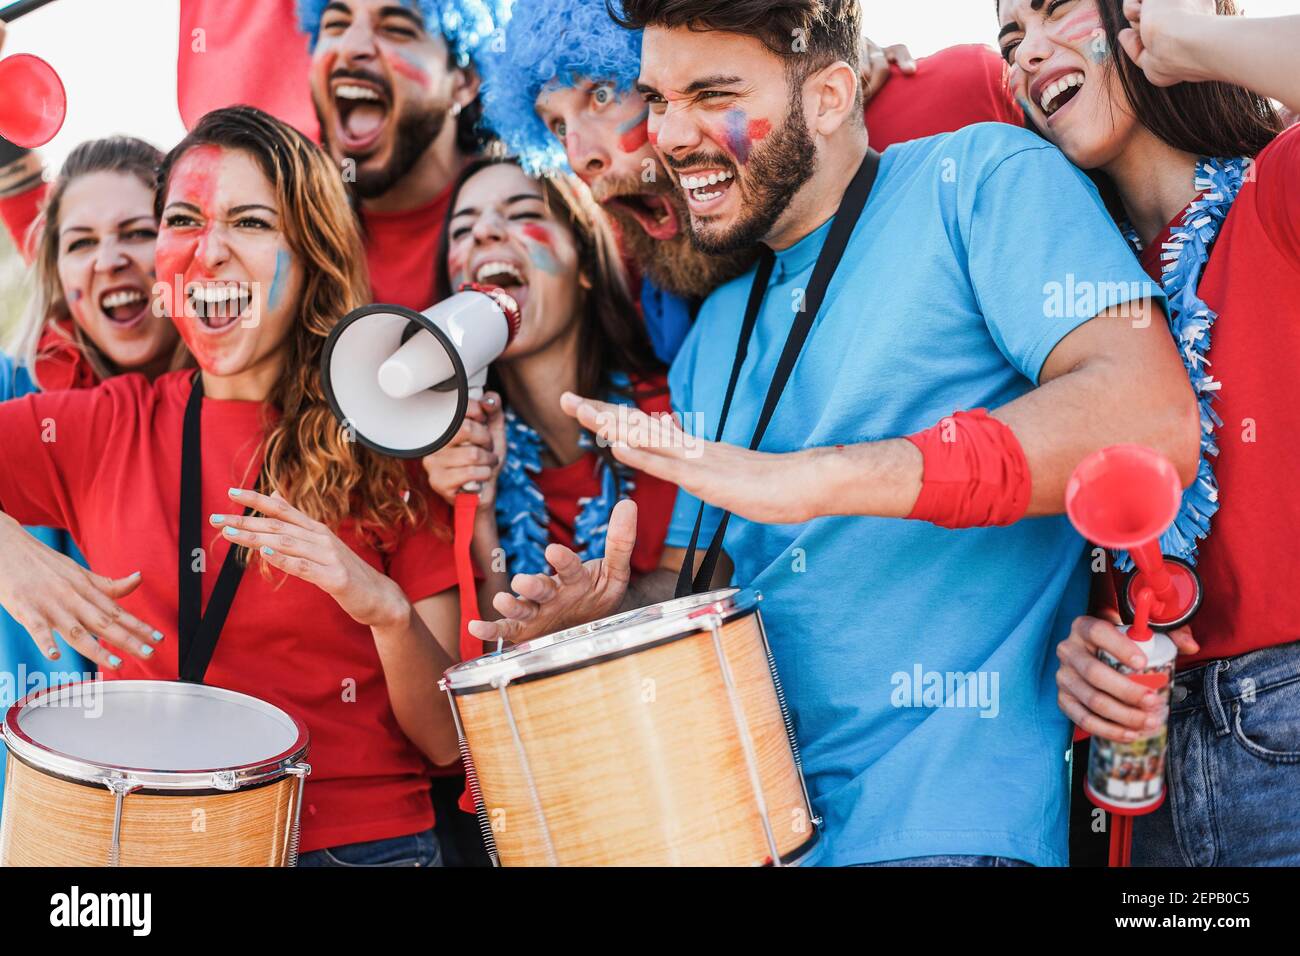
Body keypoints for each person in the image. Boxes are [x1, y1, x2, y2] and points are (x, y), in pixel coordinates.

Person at [470, 0, 1201, 867]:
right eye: (656, 98)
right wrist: (602, 614)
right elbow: (709, 582)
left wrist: (810, 479)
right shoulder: (713, 332)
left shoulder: (983, 175)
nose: (668, 132)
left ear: (827, 97)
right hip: (748, 836)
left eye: (711, 93)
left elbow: (1147, 417)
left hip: (944, 833)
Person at [0, 106, 463, 866]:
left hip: (362, 847)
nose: (208, 251)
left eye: (249, 222)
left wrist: (387, 612)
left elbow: (445, 739)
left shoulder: (393, 434)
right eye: (183, 220)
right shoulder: (100, 426)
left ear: (311, 253)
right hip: (155, 851)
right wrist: (7, 552)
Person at [995, 0, 1300, 865]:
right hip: (1149, 784)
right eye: (1010, 42)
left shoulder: (1277, 192)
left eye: (1055, 11)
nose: (1028, 52)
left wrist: (1193, 40)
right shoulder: (1067, 318)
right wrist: (1092, 649)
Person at [477, 0, 1022, 363]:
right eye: (554, 126)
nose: (578, 157)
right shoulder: (647, 284)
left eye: (600, 95)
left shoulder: (954, 106)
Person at [0, 134, 193, 810]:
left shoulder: (241, 403)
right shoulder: (12, 388)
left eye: (137, 233)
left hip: (202, 800)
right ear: (57, 271)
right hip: (40, 807)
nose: (110, 259)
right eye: (80, 242)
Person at [422, 157, 675, 638]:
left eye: (521, 214)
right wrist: (479, 517)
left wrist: (599, 611)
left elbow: (708, 580)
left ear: (584, 261)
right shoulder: (443, 452)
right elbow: (497, 652)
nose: (484, 233)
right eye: (461, 229)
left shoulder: (673, 408)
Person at [298, 0, 508, 310]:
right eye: (336, 25)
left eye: (397, 29)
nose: (351, 47)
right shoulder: (286, 218)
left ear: (463, 81)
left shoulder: (526, 217)